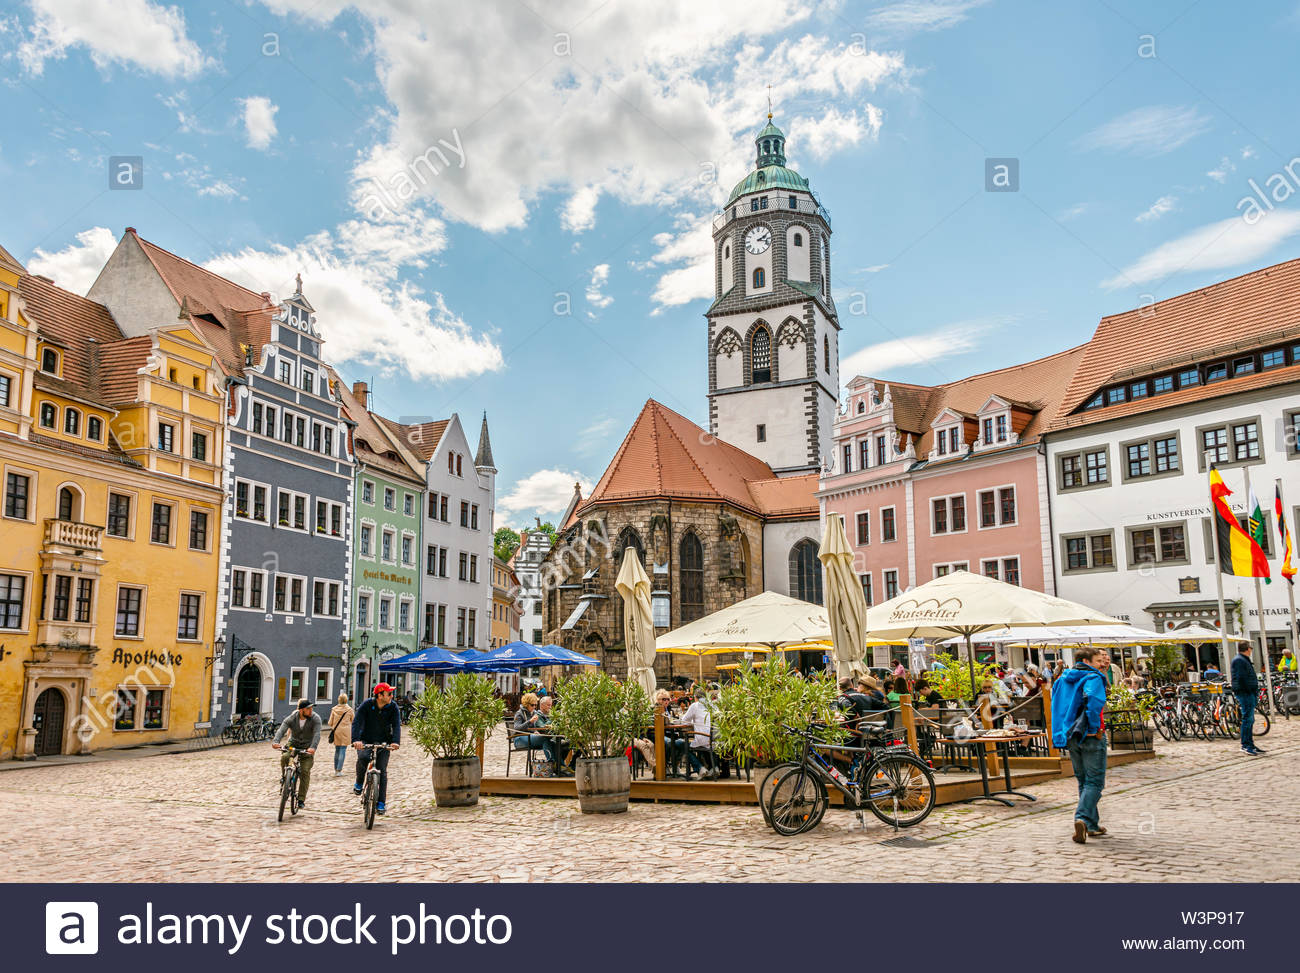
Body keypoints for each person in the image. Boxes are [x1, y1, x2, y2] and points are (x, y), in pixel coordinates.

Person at [1051, 647, 1110, 844]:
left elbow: (1055, 706)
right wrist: (1094, 727)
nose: (1101, 664)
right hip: (1090, 734)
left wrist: (1059, 733)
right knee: (1095, 781)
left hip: (1070, 734)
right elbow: (1094, 700)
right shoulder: (1093, 677)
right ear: (1086, 661)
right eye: (1097, 660)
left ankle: (1091, 825)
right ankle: (1082, 817)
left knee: (1084, 780)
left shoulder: (1061, 680)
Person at [352, 682, 402, 814]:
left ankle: (381, 803)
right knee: (363, 757)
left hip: (384, 741)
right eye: (389, 693)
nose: (392, 696)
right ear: (380, 695)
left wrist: (395, 742)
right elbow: (357, 722)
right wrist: (356, 740)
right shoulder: (367, 705)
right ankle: (359, 781)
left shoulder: (393, 707)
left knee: (382, 770)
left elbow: (397, 725)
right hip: (365, 739)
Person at [272, 698, 321, 808]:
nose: (311, 711)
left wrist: (313, 747)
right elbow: (282, 729)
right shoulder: (293, 717)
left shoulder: (315, 718)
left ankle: (301, 799)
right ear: (301, 710)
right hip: (293, 744)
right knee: (285, 757)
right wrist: (276, 741)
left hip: (307, 747)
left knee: (305, 770)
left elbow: (317, 734)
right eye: (308, 709)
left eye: (312, 708)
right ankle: (284, 776)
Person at [1231, 643, 1263, 756]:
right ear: (1247, 649)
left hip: (1248, 692)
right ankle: (1245, 745)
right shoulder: (1240, 660)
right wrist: (1250, 690)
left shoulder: (1243, 659)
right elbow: (1241, 678)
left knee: (1250, 719)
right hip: (1245, 692)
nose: (1251, 650)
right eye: (1251, 648)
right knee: (1247, 719)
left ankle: (1250, 743)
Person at [511, 692, 555, 770]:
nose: (534, 707)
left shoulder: (534, 712)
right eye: (532, 705)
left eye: (535, 705)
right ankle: (553, 764)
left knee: (550, 739)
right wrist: (529, 721)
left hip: (530, 737)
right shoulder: (519, 713)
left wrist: (536, 731)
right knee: (545, 738)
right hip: (519, 739)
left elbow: (534, 727)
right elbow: (517, 728)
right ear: (526, 704)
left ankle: (554, 764)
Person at [680, 688, 716, 779]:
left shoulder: (695, 706)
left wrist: (692, 721)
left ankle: (700, 768)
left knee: (685, 746)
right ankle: (714, 768)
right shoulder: (712, 705)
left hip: (703, 739)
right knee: (703, 745)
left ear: (695, 697)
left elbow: (684, 721)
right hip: (714, 739)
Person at [654, 689, 689, 775]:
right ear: (658, 700)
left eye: (667, 699)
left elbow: (672, 721)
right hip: (659, 735)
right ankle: (664, 766)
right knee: (669, 742)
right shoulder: (655, 710)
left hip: (671, 734)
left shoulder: (669, 710)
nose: (666, 701)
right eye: (663, 699)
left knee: (683, 743)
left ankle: (675, 765)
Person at [326, 692, 354, 776]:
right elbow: (353, 721)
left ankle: (336, 769)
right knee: (343, 750)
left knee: (337, 750)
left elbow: (330, 722)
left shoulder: (334, 709)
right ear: (346, 700)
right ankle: (339, 770)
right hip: (346, 732)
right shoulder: (349, 710)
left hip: (337, 731)